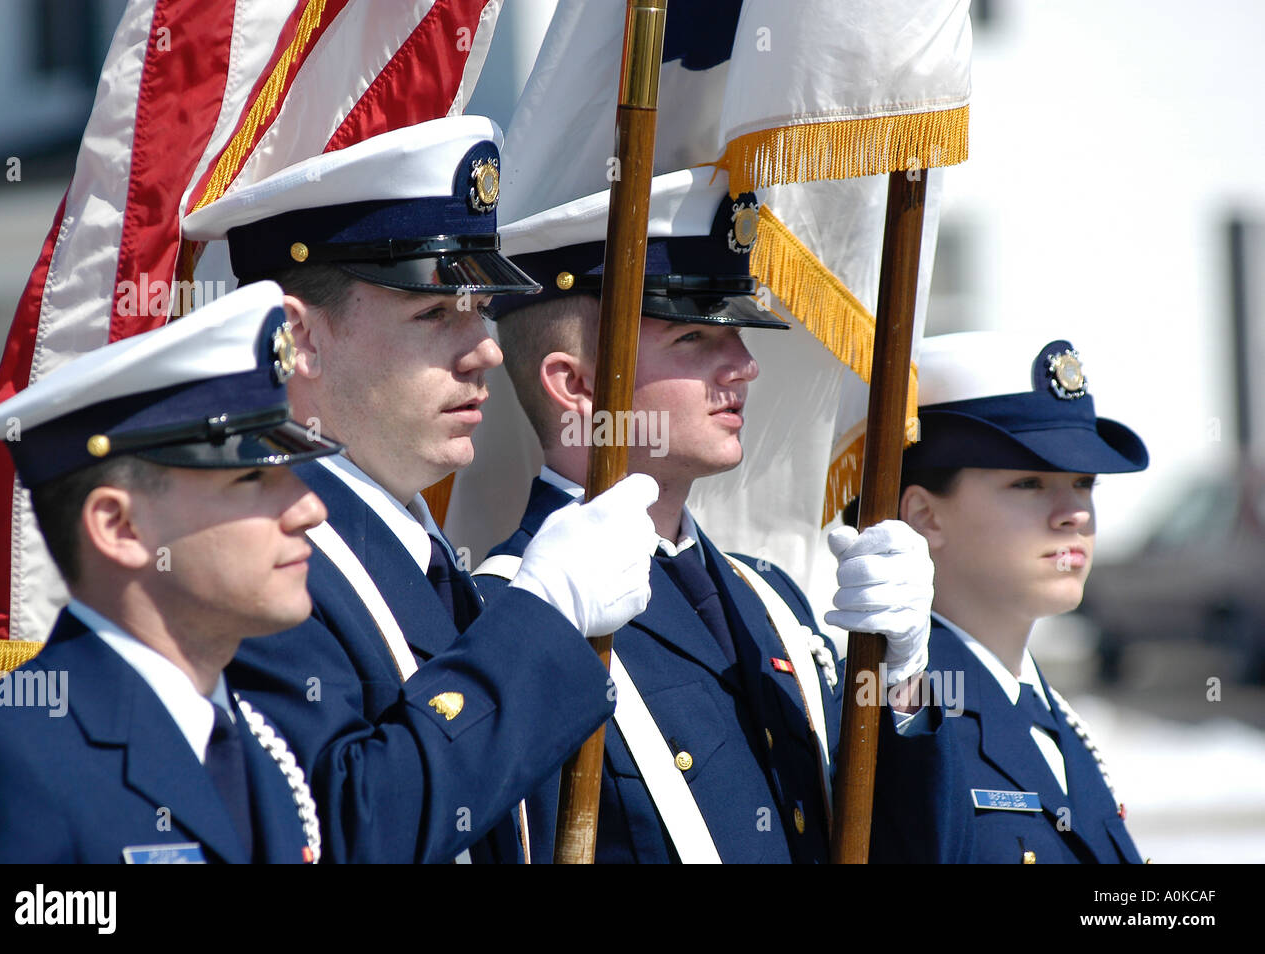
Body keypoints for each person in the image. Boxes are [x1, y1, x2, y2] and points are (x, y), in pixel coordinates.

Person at [181, 115, 658, 863]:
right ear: (298, 339)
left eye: (481, 312)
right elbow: (348, 825)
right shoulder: (251, 559)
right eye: (435, 313)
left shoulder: (419, 557)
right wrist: (541, 625)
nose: (487, 351)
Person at [474, 167, 968, 863]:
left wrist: (905, 680)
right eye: (694, 340)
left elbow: (911, 852)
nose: (744, 366)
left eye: (734, 336)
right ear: (577, 385)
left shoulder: (774, 603)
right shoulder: (507, 613)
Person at [0, 283, 340, 863]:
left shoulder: (256, 745)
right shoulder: (10, 756)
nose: (310, 509)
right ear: (119, 528)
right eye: (251, 479)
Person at [892, 331, 1148, 863]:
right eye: (1030, 483)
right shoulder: (901, 717)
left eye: (1084, 483)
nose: (1073, 514)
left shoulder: (1047, 713)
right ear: (924, 516)